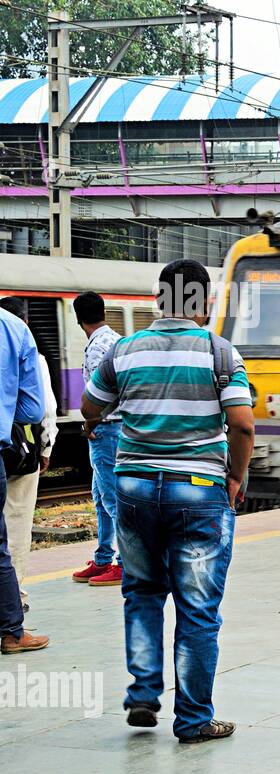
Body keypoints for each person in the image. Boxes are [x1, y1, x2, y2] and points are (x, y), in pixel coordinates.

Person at [81, 258, 255, 743]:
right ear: (203, 302)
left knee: (141, 594)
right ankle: (194, 720)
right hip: (198, 491)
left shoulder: (125, 349)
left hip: (134, 488)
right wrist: (236, 478)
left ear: (160, 300)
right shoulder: (221, 354)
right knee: (197, 609)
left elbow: (91, 407)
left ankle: (142, 695)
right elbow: (241, 424)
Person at [0, 297, 58, 611]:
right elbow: (42, 410)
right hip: (17, 452)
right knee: (16, 523)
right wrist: (46, 446)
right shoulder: (25, 346)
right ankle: (15, 600)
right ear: (25, 320)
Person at [69, 291, 123, 586]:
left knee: (112, 499)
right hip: (111, 428)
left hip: (106, 430)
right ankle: (103, 558)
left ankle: (124, 563)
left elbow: (103, 394)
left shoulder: (97, 348)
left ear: (78, 319)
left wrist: (91, 421)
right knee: (101, 498)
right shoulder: (114, 340)